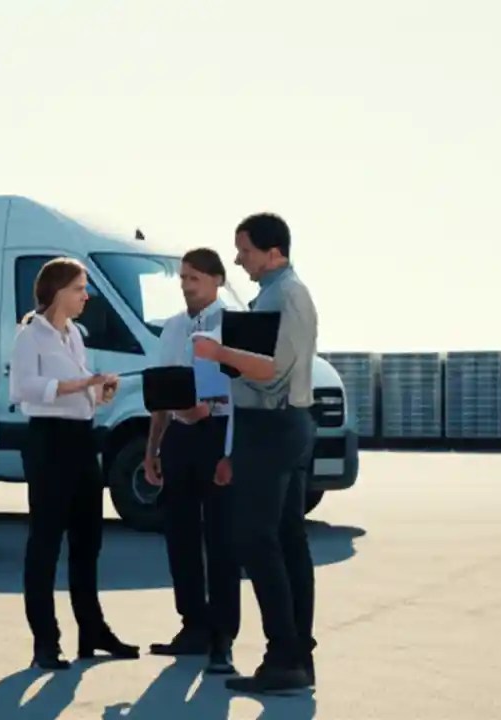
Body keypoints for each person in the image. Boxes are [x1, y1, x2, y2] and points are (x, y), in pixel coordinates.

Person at [191, 213, 319, 694]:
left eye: (243, 250)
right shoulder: (273, 294)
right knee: (285, 542)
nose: (237, 259)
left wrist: (218, 354)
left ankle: (285, 654)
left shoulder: (287, 295)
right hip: (271, 427)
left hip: (274, 426)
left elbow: (272, 370)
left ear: (273, 252)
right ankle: (294, 657)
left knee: (256, 540)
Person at [8, 256, 140, 670]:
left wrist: (98, 392)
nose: (86, 296)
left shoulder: (75, 335)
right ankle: (45, 641)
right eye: (80, 288)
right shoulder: (30, 336)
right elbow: (23, 389)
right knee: (45, 541)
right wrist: (82, 383)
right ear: (58, 291)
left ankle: (92, 630)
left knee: (88, 540)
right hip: (49, 441)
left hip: (82, 440)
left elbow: (76, 390)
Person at [144, 248, 240, 675]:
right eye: (182, 277)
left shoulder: (233, 325)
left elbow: (240, 397)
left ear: (217, 280)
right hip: (181, 435)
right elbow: (163, 390)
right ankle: (193, 627)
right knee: (179, 534)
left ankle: (223, 637)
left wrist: (231, 452)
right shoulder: (174, 328)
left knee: (221, 538)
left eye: (195, 278)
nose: (186, 285)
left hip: (217, 433)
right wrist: (153, 449)